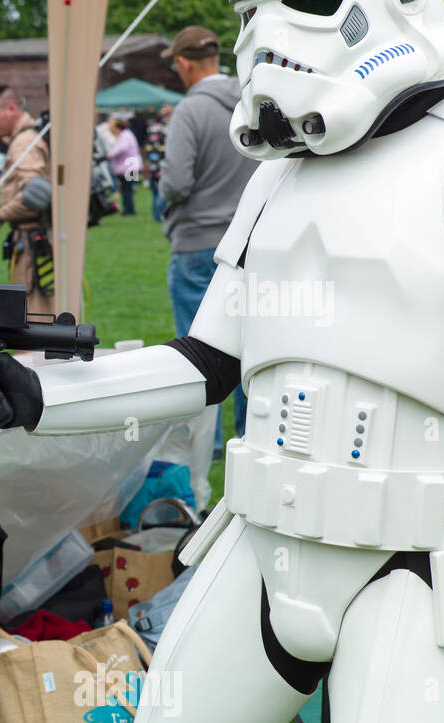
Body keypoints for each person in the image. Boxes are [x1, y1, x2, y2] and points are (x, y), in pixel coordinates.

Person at [0, 0, 444, 723]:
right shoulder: (278, 176)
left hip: (417, 568)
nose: (269, 25)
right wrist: (34, 391)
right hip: (260, 546)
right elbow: (206, 360)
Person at [160, 26, 257, 452]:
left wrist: (164, 199)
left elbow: (176, 181)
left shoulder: (189, 111)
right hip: (248, 241)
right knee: (246, 345)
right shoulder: (251, 103)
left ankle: (208, 443)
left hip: (198, 240)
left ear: (183, 63)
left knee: (199, 349)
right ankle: (248, 433)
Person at [0, 83, 54, 323]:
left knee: (34, 319)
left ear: (11, 108)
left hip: (32, 242)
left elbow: (36, 196)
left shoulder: (23, 142)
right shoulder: (23, 138)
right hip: (30, 239)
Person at [106, 115, 142, 216]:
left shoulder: (125, 135)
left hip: (128, 166)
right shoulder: (127, 134)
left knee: (126, 189)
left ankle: (129, 210)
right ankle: (129, 208)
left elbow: (122, 148)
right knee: (127, 188)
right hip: (130, 165)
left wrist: (110, 154)